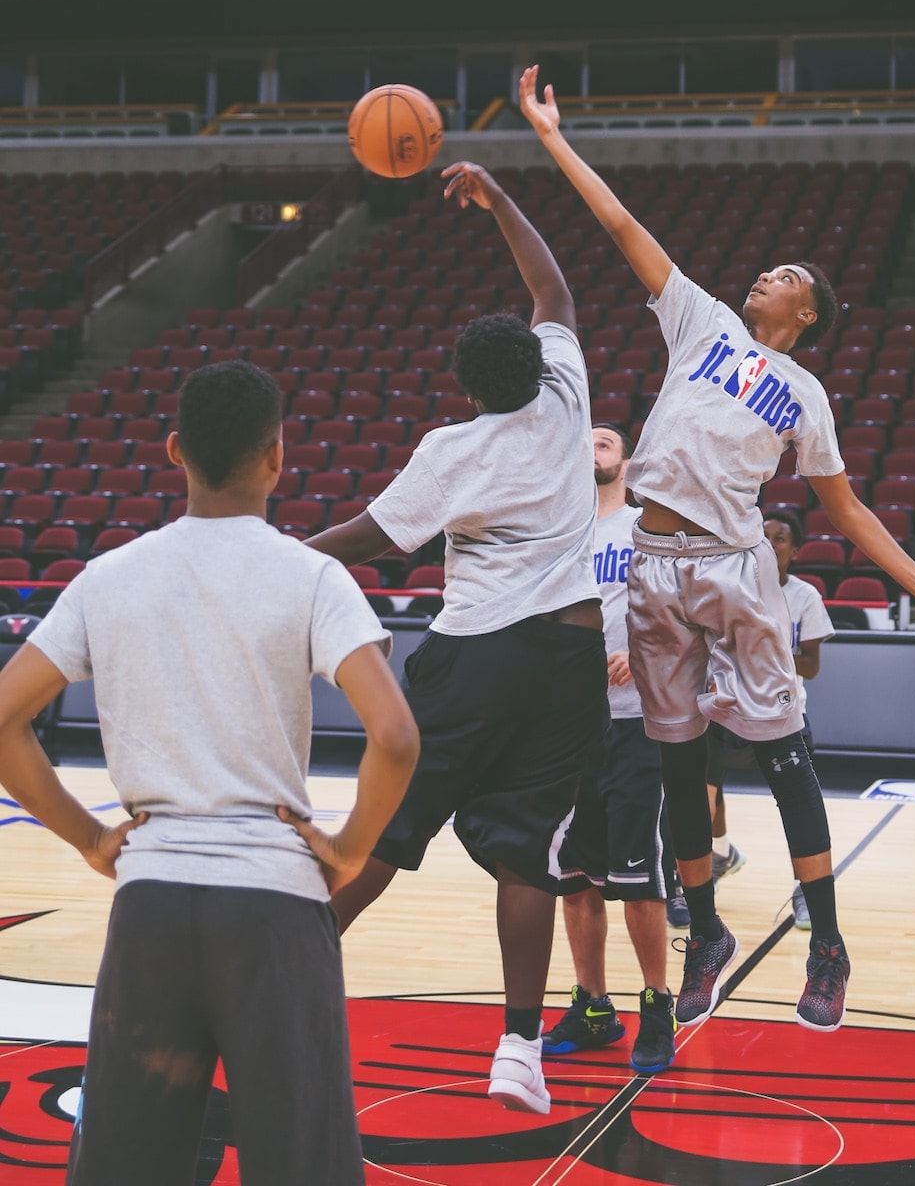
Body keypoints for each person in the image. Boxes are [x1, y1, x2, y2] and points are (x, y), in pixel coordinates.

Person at [519, 64, 915, 1035]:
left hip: (732, 568)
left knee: (783, 760)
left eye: (785, 277)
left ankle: (828, 939)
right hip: (651, 567)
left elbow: (848, 512)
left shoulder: (804, 395)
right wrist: (552, 138)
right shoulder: (702, 324)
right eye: (767, 270)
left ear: (804, 312)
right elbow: (621, 230)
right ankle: (712, 937)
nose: (764, 276)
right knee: (680, 765)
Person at [0, 359, 418, 1186]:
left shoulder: (107, 576)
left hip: (150, 901)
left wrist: (88, 837)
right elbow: (397, 738)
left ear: (173, 451)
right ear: (276, 457)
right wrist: (346, 849)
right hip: (274, 908)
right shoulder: (313, 576)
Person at [303, 161, 608, 1119]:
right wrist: (498, 199)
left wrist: (272, 557)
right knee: (530, 860)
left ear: (465, 385)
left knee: (390, 839)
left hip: (476, 654)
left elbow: (369, 539)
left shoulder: (451, 451)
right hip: (567, 664)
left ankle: (285, 973)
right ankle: (520, 1049)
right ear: (532, 362)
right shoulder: (567, 394)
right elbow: (553, 287)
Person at [543, 422, 676, 1075]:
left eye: (605, 440)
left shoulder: (645, 530)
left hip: (635, 724)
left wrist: (642, 652)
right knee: (574, 878)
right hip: (570, 727)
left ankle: (658, 1005)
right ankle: (593, 1006)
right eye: (585, 438)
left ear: (625, 460)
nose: (593, 444)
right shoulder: (556, 539)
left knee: (637, 881)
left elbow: (687, 618)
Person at [762, 511, 836, 930]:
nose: (771, 542)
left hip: (786, 712)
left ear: (795, 550)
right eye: (765, 535)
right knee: (705, 794)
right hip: (733, 709)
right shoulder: (733, 588)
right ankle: (715, 858)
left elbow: (811, 665)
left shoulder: (805, 596)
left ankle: (803, 891)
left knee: (797, 808)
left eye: (780, 537)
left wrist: (766, 648)